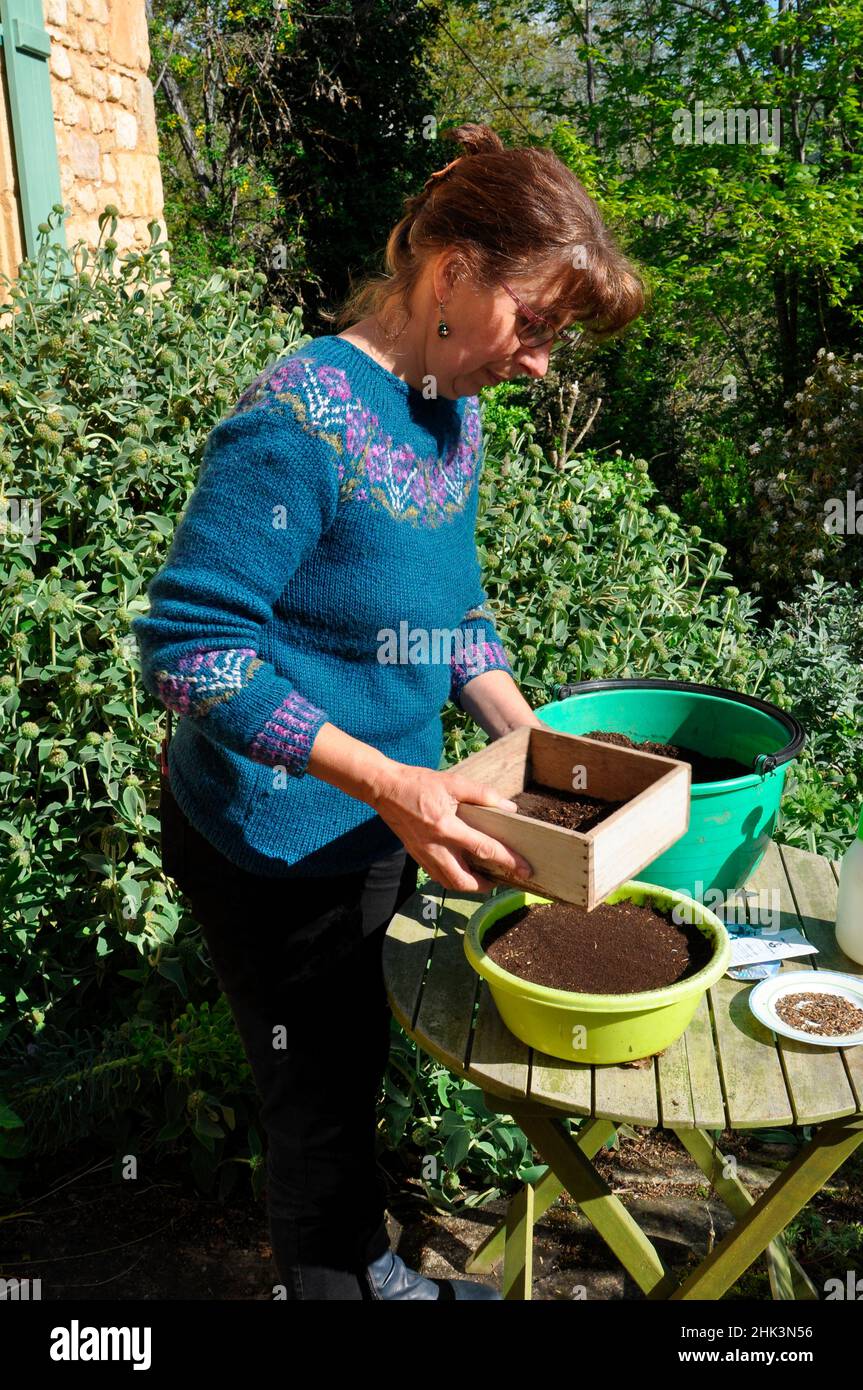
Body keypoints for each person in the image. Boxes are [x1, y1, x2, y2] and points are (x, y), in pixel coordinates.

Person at [131, 121, 647, 1302]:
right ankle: (341, 1279)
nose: (538, 366)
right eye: (538, 323)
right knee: (312, 1090)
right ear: (452, 272)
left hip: (385, 814)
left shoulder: (446, 406)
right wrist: (395, 784)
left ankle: (367, 1257)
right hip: (274, 837)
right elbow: (191, 652)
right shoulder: (298, 417)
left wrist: (535, 741)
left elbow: (449, 611)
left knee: (350, 1058)